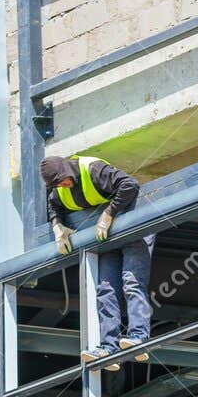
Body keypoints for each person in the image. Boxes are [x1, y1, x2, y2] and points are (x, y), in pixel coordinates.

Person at [40, 153, 154, 368]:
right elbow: (53, 205)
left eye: (62, 180)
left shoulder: (92, 169)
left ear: (66, 170)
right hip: (107, 237)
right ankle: (108, 347)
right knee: (106, 289)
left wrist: (109, 214)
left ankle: (139, 337)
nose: (63, 185)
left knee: (131, 281)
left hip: (133, 230)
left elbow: (130, 184)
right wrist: (57, 225)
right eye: (58, 184)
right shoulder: (59, 190)